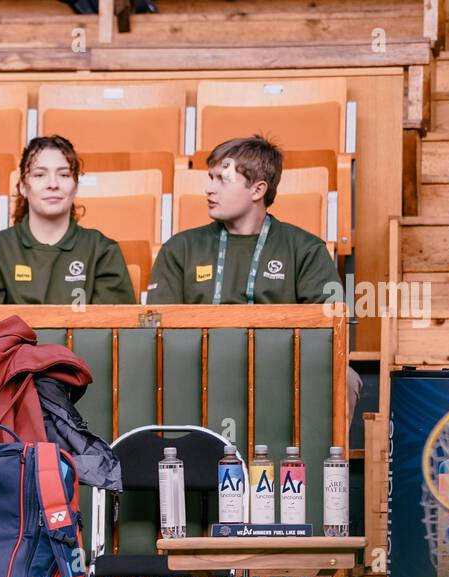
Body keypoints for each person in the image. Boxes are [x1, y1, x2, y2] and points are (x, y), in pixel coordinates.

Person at [147, 134, 361, 419]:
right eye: (209, 178)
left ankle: (321, 464)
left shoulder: (305, 249)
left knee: (343, 376)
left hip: (280, 368)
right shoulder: (180, 248)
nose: (209, 189)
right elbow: (159, 329)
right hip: (198, 366)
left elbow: (329, 332)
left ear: (257, 190)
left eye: (222, 180)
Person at [0, 135, 135, 306]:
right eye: (40, 175)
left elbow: (112, 327)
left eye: (63, 174)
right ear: (23, 187)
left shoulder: (102, 250)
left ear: (76, 186)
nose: (53, 184)